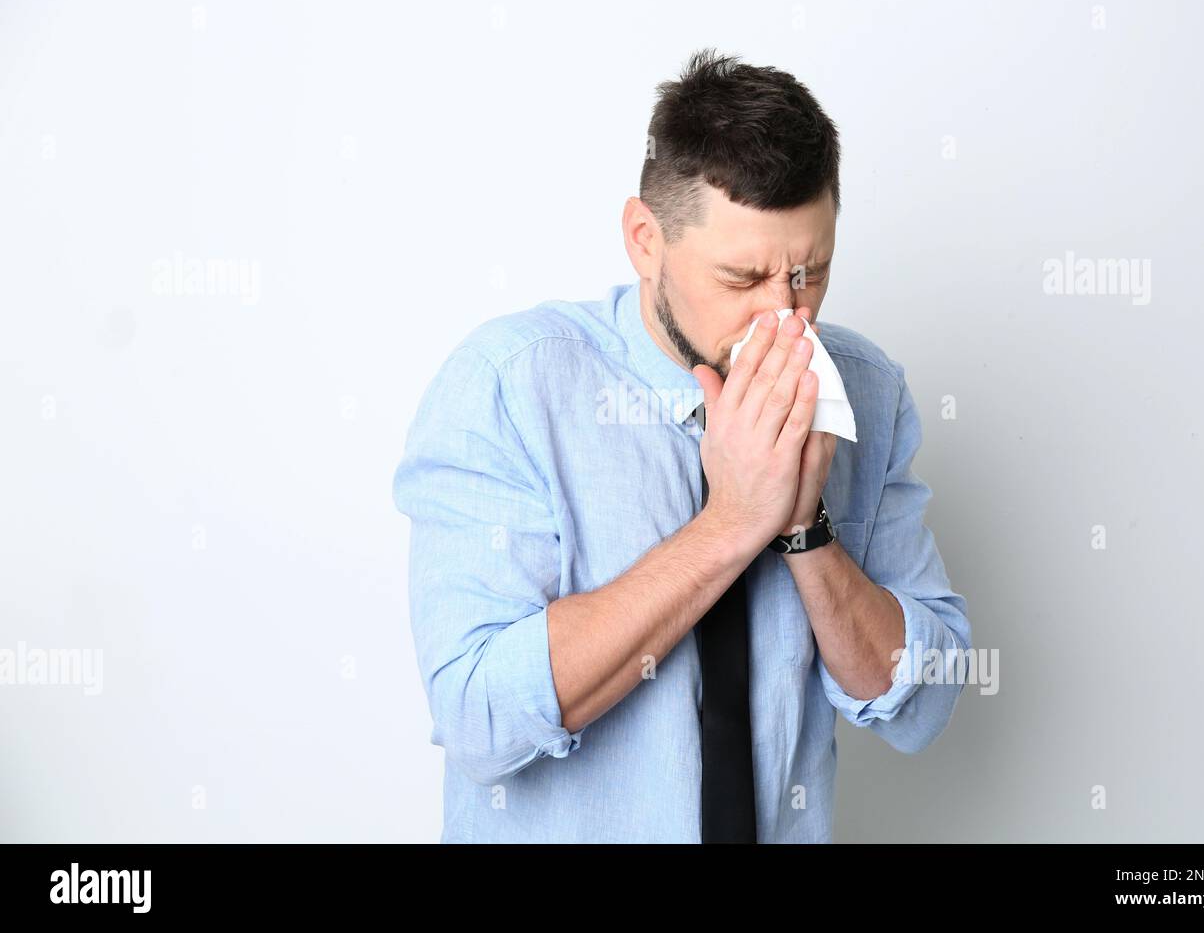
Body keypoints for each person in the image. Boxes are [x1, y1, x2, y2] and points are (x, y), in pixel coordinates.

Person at [393, 49, 971, 843]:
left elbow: (926, 704)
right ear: (645, 240)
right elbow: (479, 721)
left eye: (810, 273)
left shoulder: (865, 390)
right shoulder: (509, 387)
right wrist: (732, 524)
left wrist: (807, 533)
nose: (786, 319)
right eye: (743, 278)